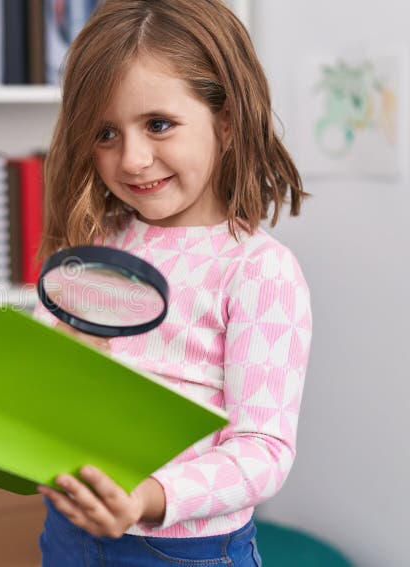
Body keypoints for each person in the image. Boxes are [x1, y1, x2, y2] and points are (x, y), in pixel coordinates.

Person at [33, 1, 313, 565]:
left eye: (158, 125)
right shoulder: (95, 248)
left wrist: (145, 499)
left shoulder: (257, 270)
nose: (133, 160)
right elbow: (49, 387)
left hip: (183, 549)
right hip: (69, 534)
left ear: (227, 121)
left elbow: (263, 451)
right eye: (105, 133)